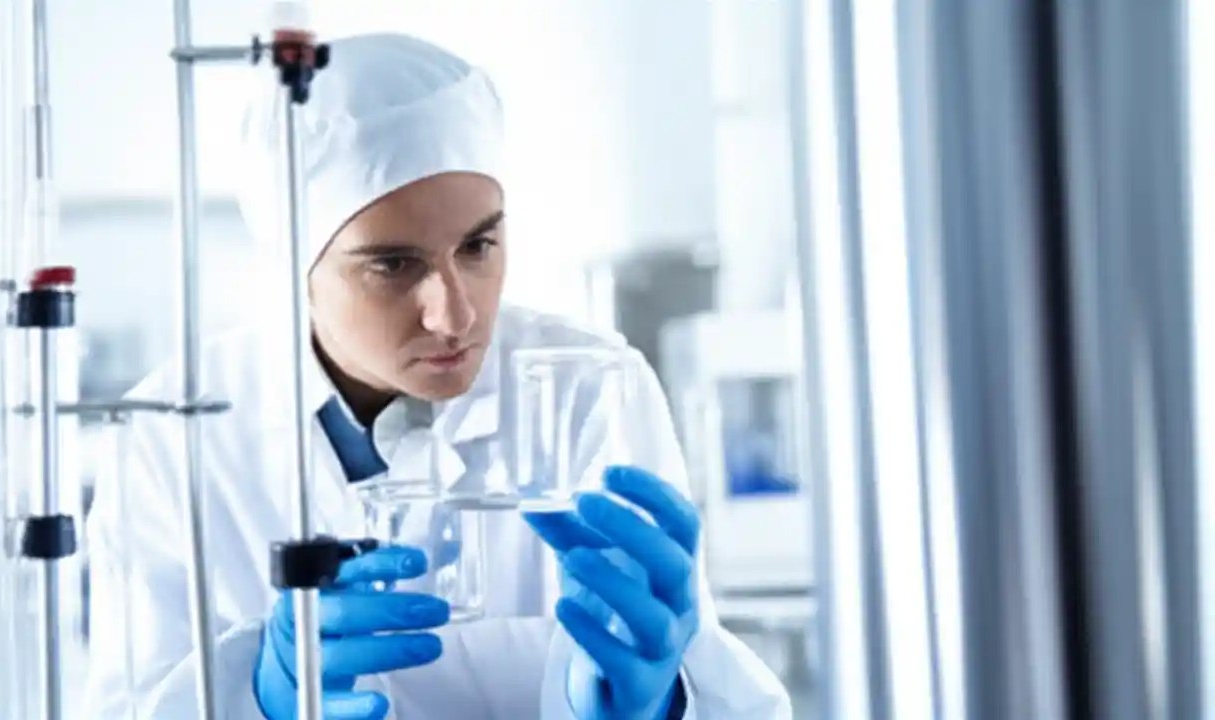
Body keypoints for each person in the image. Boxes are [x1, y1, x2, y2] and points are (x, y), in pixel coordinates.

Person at [82, 32, 792, 719]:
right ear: (295, 265)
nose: (453, 315)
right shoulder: (173, 433)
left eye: (479, 245)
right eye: (393, 265)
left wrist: (659, 702)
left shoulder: (589, 389)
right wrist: (255, 698)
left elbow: (708, 680)